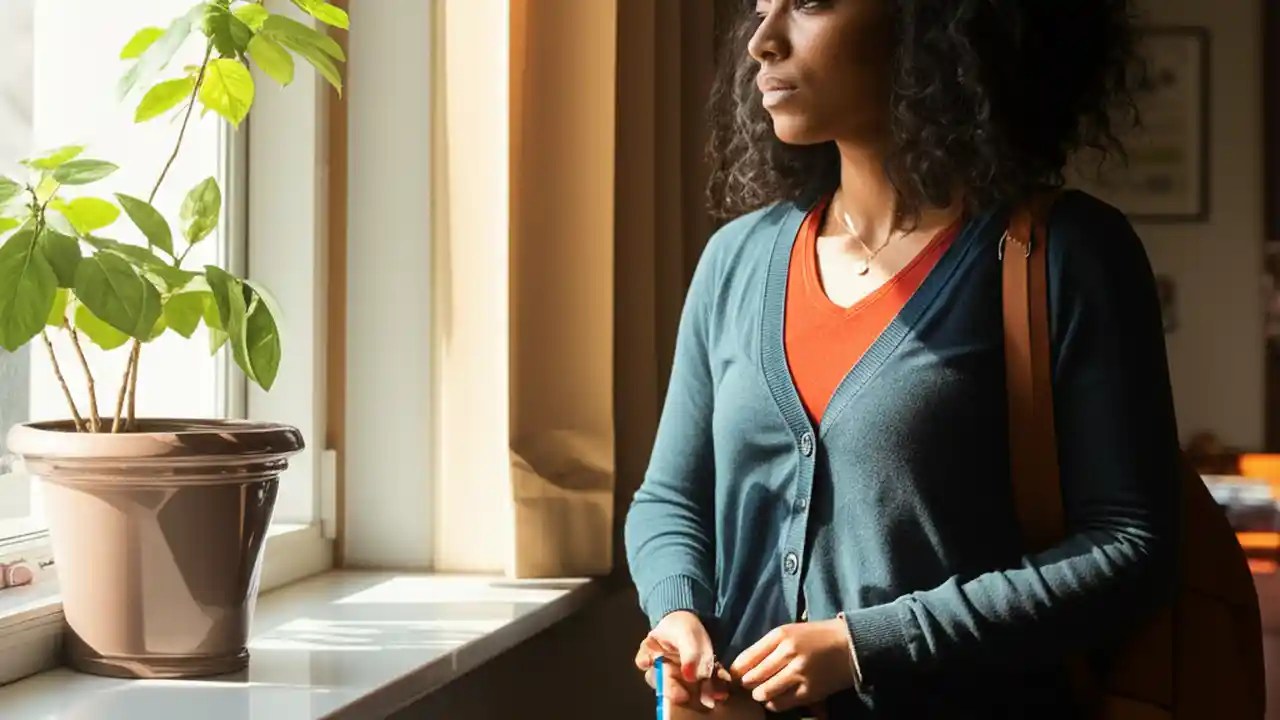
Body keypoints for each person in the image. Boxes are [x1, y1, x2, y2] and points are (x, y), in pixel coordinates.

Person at [625, 0, 1179, 718]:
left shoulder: (1067, 255)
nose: (763, 41)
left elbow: (1131, 550)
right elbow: (671, 498)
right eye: (760, 9)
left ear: (934, 22)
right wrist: (679, 615)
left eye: (810, 4)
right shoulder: (737, 259)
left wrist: (865, 644)